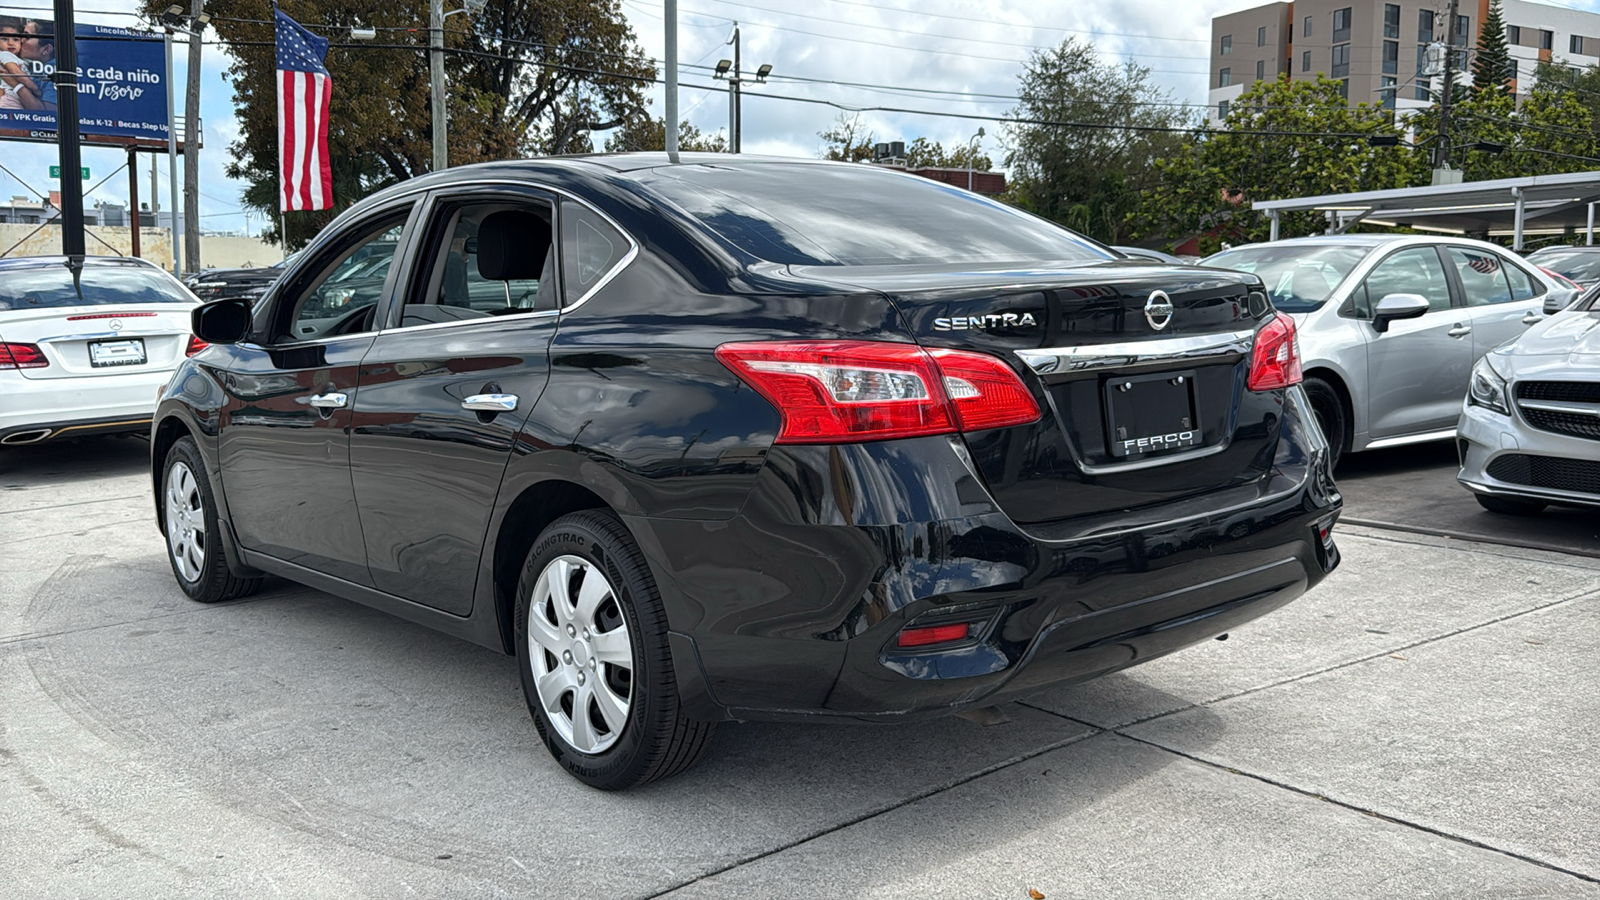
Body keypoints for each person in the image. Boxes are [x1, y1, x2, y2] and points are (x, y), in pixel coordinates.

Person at [0, 17, 43, 111]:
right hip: (11, 102)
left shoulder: (21, 59)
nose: (10, 43)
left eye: (15, 39)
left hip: (19, 100)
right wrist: (35, 89)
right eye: (4, 39)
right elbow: (16, 72)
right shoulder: (5, 55)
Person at [20, 19, 54, 111]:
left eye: (26, 36)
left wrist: (16, 85)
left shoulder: (54, 72)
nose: (21, 40)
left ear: (46, 49)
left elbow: (48, 114)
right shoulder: (37, 68)